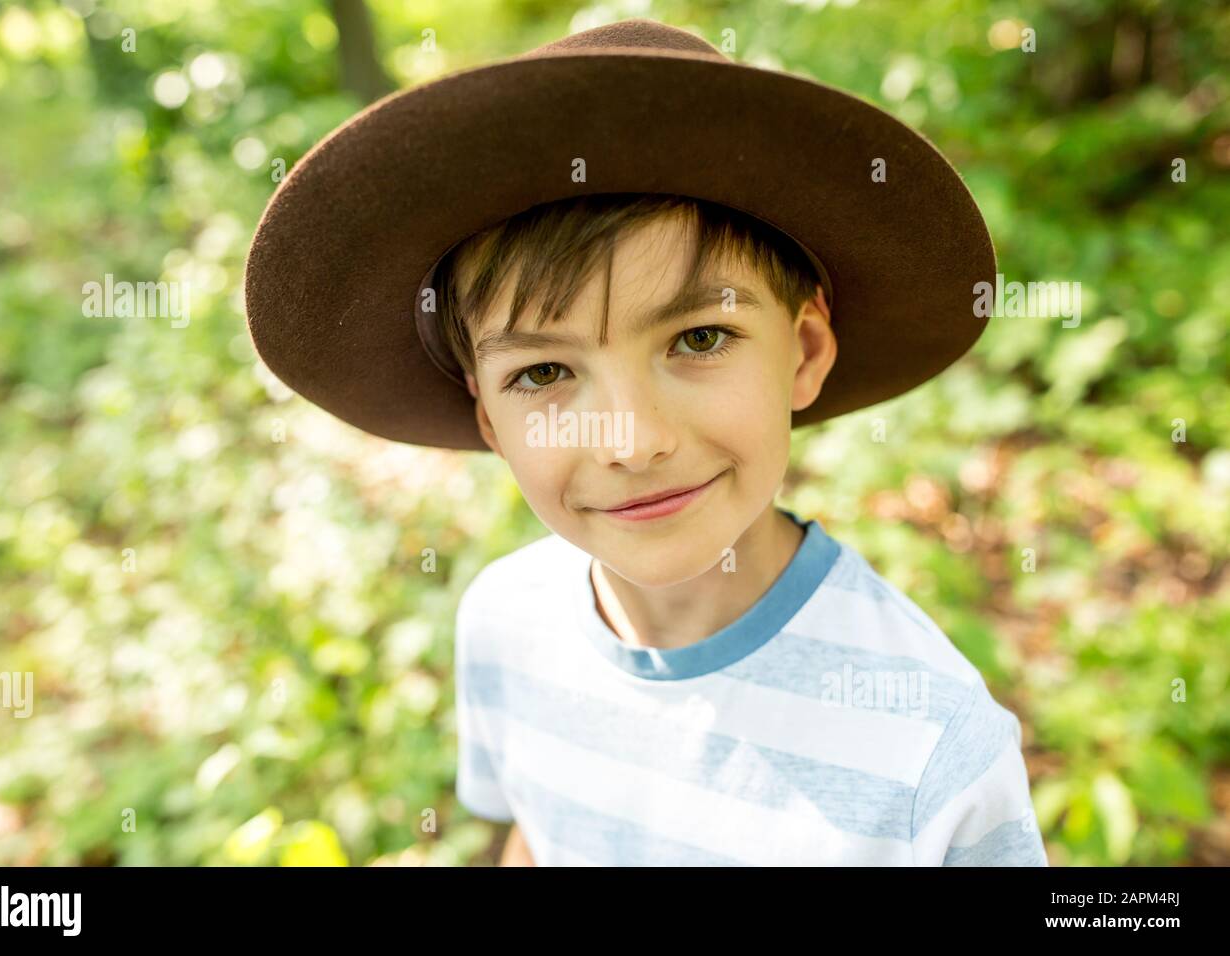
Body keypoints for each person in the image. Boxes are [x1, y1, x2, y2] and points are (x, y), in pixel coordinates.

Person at [244, 18, 1048, 866]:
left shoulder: (932, 743)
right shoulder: (504, 624)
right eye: (545, 374)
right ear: (489, 419)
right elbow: (534, 836)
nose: (630, 442)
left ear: (804, 353)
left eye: (699, 339)